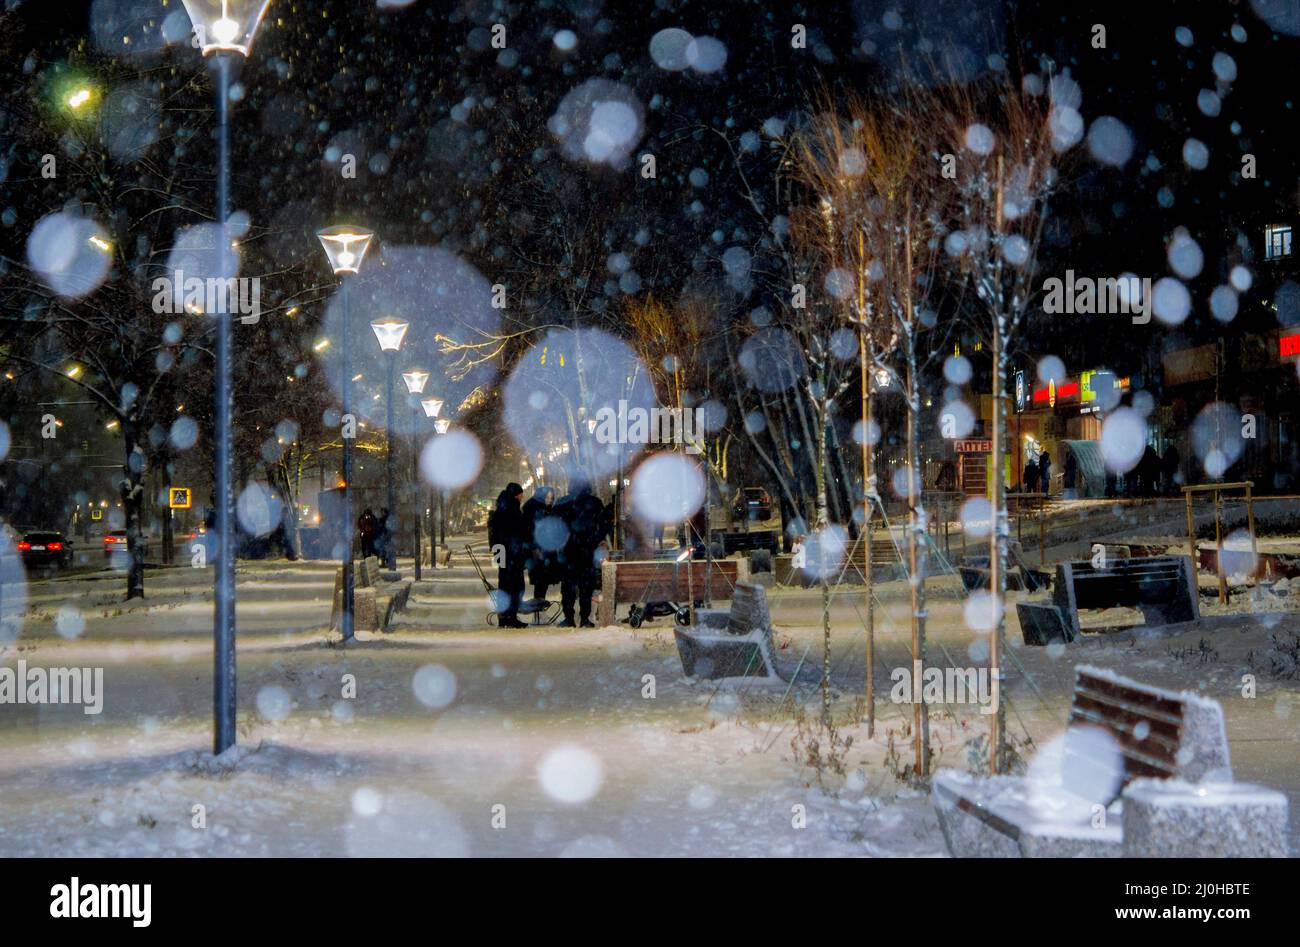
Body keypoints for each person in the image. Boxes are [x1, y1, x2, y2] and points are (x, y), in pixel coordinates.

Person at [555, 480, 608, 628]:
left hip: (568, 550)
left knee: (568, 587)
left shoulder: (562, 503)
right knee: (586, 586)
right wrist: (595, 540)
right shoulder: (595, 503)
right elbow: (603, 524)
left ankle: (569, 617)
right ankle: (585, 618)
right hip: (587, 550)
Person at [487, 484, 527, 628]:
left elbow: (496, 533)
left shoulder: (501, 509)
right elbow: (517, 533)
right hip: (511, 554)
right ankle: (511, 616)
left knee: (505, 584)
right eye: (521, 494)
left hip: (503, 553)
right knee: (515, 586)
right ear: (516, 495)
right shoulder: (512, 510)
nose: (522, 497)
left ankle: (505, 616)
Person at [520, 485, 557, 602]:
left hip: (545, 550)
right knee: (541, 581)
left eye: (551, 498)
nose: (549, 501)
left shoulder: (544, 509)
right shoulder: (535, 510)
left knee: (542, 582)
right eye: (547, 498)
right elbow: (529, 531)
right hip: (538, 551)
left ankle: (539, 607)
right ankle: (539, 607)